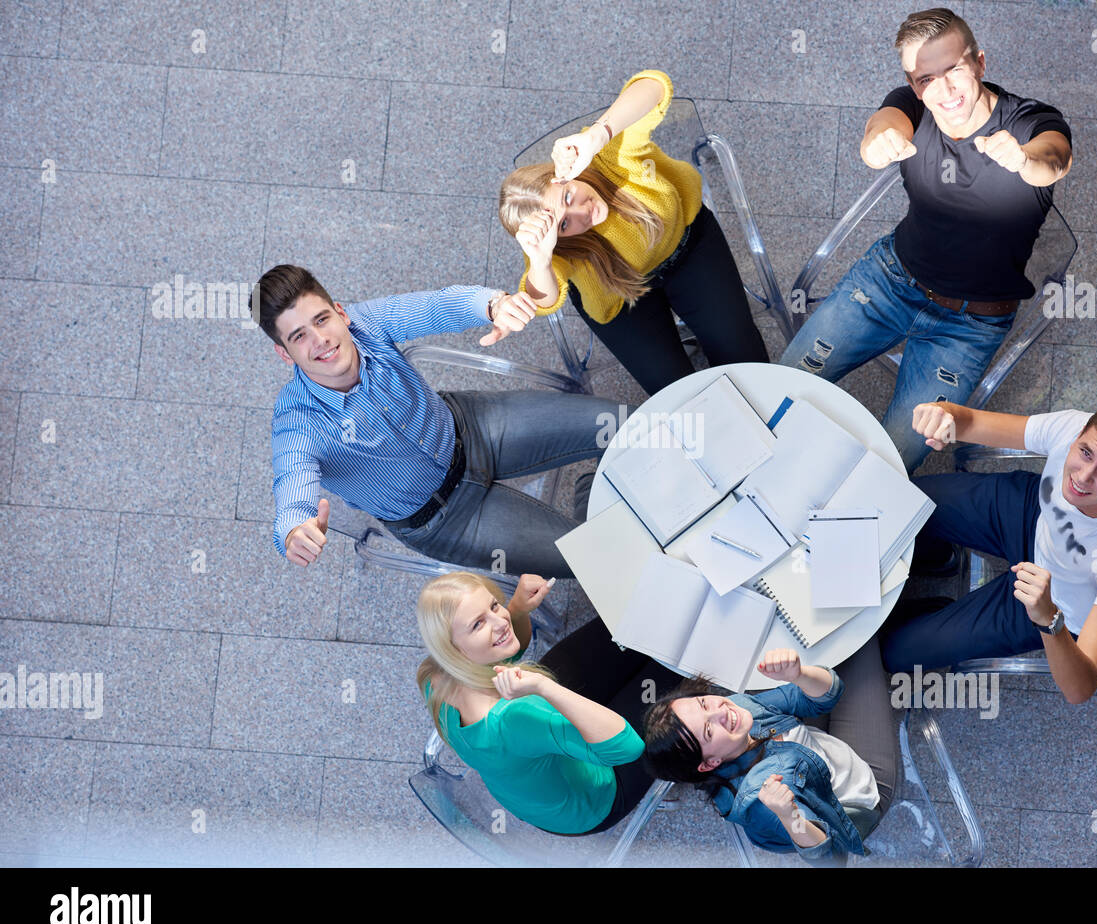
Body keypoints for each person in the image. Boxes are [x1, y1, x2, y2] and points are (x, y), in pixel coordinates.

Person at [779, 7, 1073, 472]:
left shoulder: (1029, 120)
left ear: (979, 62)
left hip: (968, 328)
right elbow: (884, 124)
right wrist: (876, 142)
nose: (943, 91)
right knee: (783, 389)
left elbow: (1054, 157)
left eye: (954, 70)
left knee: (889, 465)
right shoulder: (913, 103)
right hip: (888, 283)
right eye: (925, 79)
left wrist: (1023, 161)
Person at [258, 263, 619, 578]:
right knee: (600, 560)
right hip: (448, 521)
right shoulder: (297, 423)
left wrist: (494, 305)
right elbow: (292, 481)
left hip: (473, 430)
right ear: (284, 354)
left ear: (341, 313)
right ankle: (594, 492)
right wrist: (293, 531)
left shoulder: (365, 322)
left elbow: (435, 306)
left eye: (321, 320)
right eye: (298, 336)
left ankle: (601, 486)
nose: (320, 339)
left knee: (622, 425)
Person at [499, 69, 769, 397]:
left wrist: (597, 135)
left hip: (689, 247)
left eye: (568, 197)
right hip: (621, 300)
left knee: (745, 359)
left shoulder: (606, 158)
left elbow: (654, 85)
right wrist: (540, 261)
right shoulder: (554, 247)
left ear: (565, 175)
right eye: (564, 225)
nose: (583, 213)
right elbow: (543, 298)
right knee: (679, 396)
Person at [883, 397, 1097, 703]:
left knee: (894, 654)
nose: (1082, 477)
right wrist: (943, 416)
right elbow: (972, 422)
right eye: (1084, 453)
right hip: (1030, 513)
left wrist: (1049, 618)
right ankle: (937, 557)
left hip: (1052, 602)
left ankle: (935, 608)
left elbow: (1079, 689)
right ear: (1080, 434)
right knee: (901, 501)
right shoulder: (1076, 427)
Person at [416, 571, 676, 835]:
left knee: (623, 626)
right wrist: (545, 688)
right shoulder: (516, 716)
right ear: (454, 651)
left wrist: (517, 608)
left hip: (536, 778)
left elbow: (506, 652)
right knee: (675, 664)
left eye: (494, 605)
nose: (501, 621)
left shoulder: (433, 675)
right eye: (478, 624)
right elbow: (627, 748)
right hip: (597, 797)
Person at [641, 644, 898, 867]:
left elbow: (825, 696)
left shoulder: (739, 711)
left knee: (833, 647)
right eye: (708, 730)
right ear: (711, 763)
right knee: (860, 646)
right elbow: (831, 858)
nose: (720, 711)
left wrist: (798, 674)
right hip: (857, 792)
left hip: (817, 749)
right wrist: (790, 816)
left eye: (704, 703)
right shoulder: (762, 802)